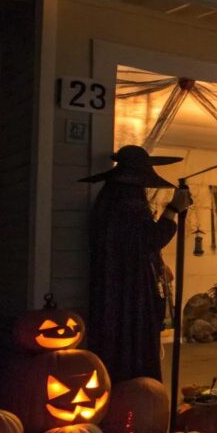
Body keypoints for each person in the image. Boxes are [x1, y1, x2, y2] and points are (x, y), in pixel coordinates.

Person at [81, 145, 191, 382]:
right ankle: (136, 395)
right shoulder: (127, 203)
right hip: (129, 293)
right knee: (133, 343)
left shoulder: (109, 201)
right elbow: (151, 239)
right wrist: (173, 209)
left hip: (115, 288)